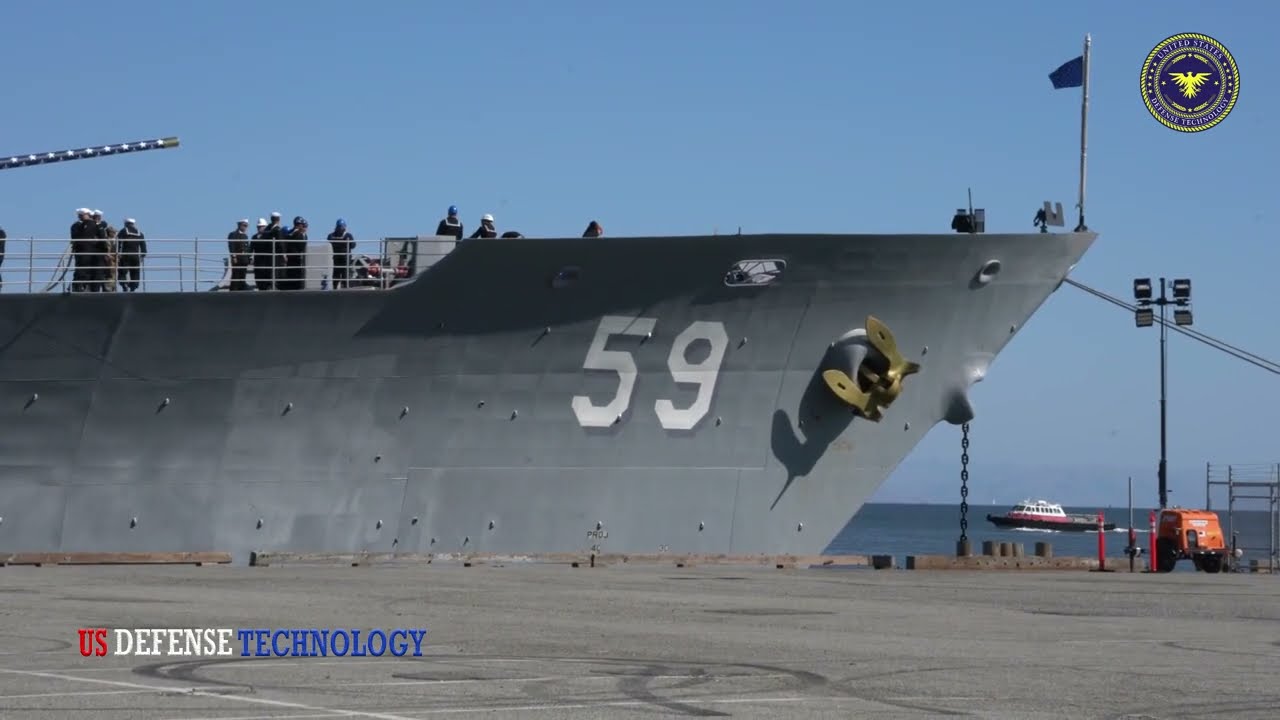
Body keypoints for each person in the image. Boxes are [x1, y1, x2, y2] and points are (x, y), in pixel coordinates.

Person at [116, 218, 146, 292]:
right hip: (136, 256)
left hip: (125, 254)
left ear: (126, 223)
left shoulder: (123, 231)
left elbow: (118, 243)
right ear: (133, 224)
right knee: (135, 272)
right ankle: (133, 287)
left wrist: (118, 253)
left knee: (123, 271)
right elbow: (143, 246)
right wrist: (142, 255)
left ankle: (124, 284)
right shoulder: (140, 233)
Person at [327, 218, 354, 289]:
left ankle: (335, 286)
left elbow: (328, 240)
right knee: (344, 273)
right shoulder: (348, 235)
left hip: (337, 258)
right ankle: (344, 286)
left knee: (337, 273)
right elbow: (353, 245)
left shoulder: (332, 235)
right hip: (344, 258)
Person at [227, 219, 251, 291]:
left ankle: (242, 288)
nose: (245, 227)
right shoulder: (233, 234)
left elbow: (247, 248)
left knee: (243, 275)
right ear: (239, 225)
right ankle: (234, 289)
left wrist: (249, 257)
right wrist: (234, 256)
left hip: (244, 259)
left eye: (247, 226)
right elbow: (231, 246)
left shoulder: (245, 236)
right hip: (237, 259)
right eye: (244, 225)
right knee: (235, 275)